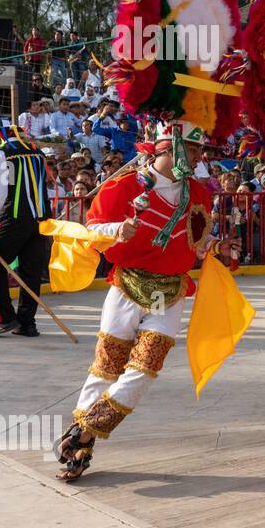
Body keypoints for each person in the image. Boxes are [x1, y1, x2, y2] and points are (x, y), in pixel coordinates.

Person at [54, 122, 215, 482]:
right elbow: (91, 229)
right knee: (106, 367)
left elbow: (197, 238)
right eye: (186, 150)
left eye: (196, 151)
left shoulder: (199, 194)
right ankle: (81, 448)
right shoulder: (123, 186)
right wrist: (116, 230)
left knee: (143, 371)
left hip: (170, 292)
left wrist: (208, 247)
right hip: (127, 284)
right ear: (162, 148)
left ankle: (84, 430)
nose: (194, 157)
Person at [0, 120, 52, 336]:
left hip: (14, 219)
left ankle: (6, 318)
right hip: (41, 221)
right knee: (30, 272)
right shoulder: (37, 152)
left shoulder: (0, 154)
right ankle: (27, 323)